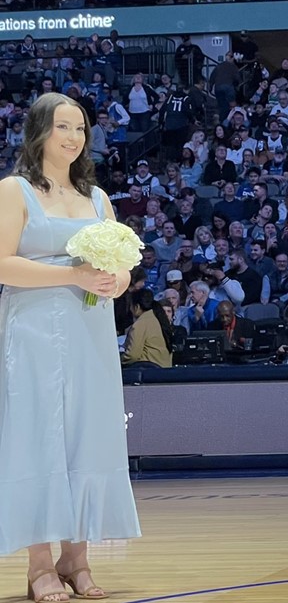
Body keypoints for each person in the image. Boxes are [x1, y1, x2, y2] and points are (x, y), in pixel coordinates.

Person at [0, 92, 140, 601]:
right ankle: (39, 566)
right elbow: (3, 264)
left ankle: (75, 559)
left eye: (80, 128)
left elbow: (122, 267)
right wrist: (73, 274)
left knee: (88, 436)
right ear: (39, 131)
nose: (74, 137)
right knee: (37, 438)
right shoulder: (13, 190)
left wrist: (117, 280)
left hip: (90, 331)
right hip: (33, 331)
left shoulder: (97, 198)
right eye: (63, 126)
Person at [121, 288, 174, 367]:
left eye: (131, 306)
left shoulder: (141, 324)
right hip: (164, 368)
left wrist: (119, 360)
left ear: (137, 307)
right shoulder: (158, 318)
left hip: (148, 369)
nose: (130, 309)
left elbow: (132, 355)